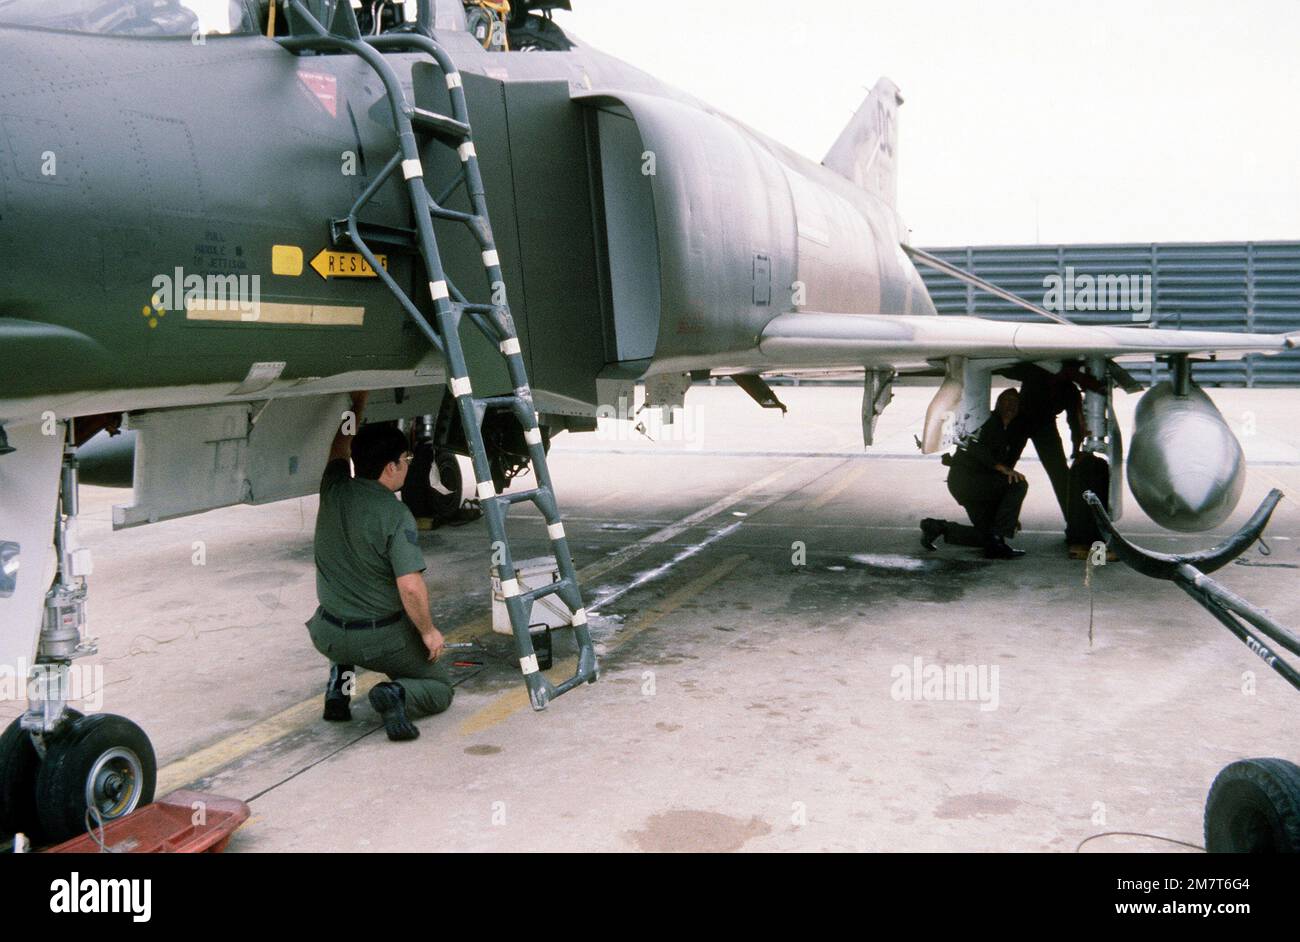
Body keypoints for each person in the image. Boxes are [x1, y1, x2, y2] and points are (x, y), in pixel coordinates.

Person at [306, 392, 452, 741]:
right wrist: (429, 632)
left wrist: (355, 407)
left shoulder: (334, 487)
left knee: (347, 603)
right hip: (379, 642)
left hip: (327, 635)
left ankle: (338, 691)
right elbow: (411, 587)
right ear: (392, 467)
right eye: (405, 459)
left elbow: (339, 446)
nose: (407, 464)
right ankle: (397, 694)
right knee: (440, 687)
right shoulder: (395, 514)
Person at [921, 387, 1029, 559]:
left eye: (1015, 402)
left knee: (988, 534)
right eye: (1006, 401)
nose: (1011, 405)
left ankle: (937, 527)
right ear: (997, 404)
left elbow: (1009, 466)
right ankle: (996, 543)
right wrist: (998, 466)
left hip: (984, 484)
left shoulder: (1016, 431)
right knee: (1019, 484)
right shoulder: (984, 422)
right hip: (967, 481)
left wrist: (1007, 515)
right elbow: (970, 444)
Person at [1003, 362, 1101, 532]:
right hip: (1025, 422)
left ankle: (1074, 525)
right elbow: (1006, 369)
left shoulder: (1068, 390)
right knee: (1005, 470)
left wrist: (1076, 450)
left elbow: (1075, 423)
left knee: (1060, 476)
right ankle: (1001, 522)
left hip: (1040, 425)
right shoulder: (1039, 372)